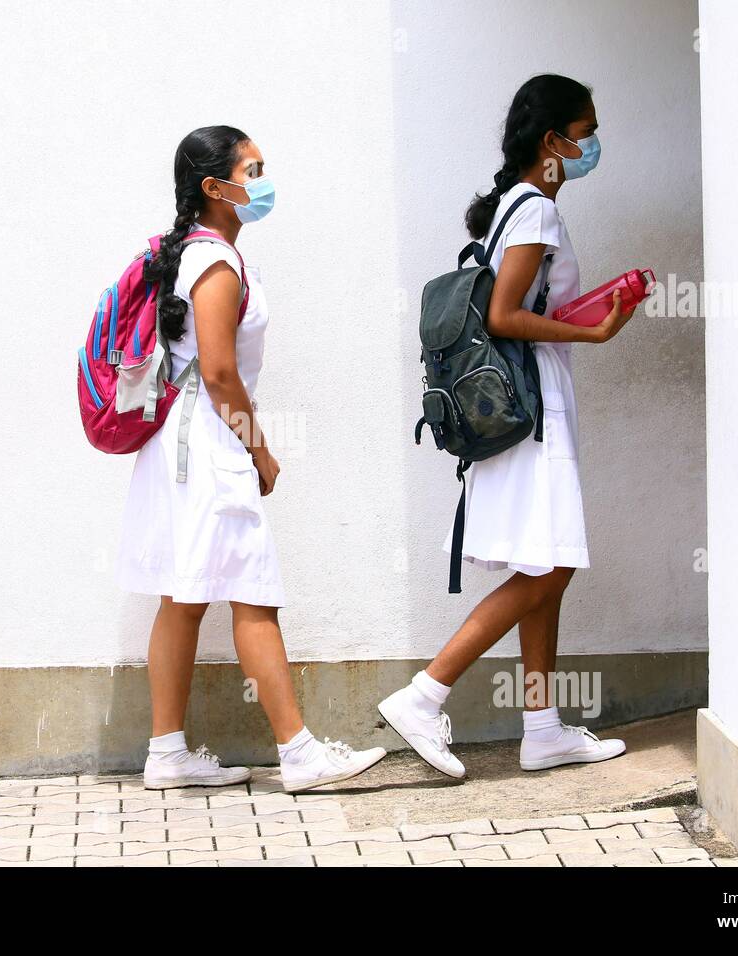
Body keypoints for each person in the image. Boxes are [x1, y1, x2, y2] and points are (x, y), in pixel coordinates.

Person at [378, 76, 634, 778]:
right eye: (585, 131)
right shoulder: (536, 212)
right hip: (533, 409)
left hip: (520, 405)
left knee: (543, 565)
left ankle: (543, 728)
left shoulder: (515, 207)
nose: (592, 145)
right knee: (548, 567)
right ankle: (425, 695)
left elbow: (526, 306)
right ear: (552, 141)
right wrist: (596, 334)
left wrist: (597, 309)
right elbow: (504, 318)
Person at [118, 126, 386, 793]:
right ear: (215, 188)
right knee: (253, 596)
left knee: (183, 600)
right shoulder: (214, 262)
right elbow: (218, 370)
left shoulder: (202, 256)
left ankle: (167, 753)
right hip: (206, 448)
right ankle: (298, 753)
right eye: (253, 169)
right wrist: (260, 450)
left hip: (178, 448)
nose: (264, 181)